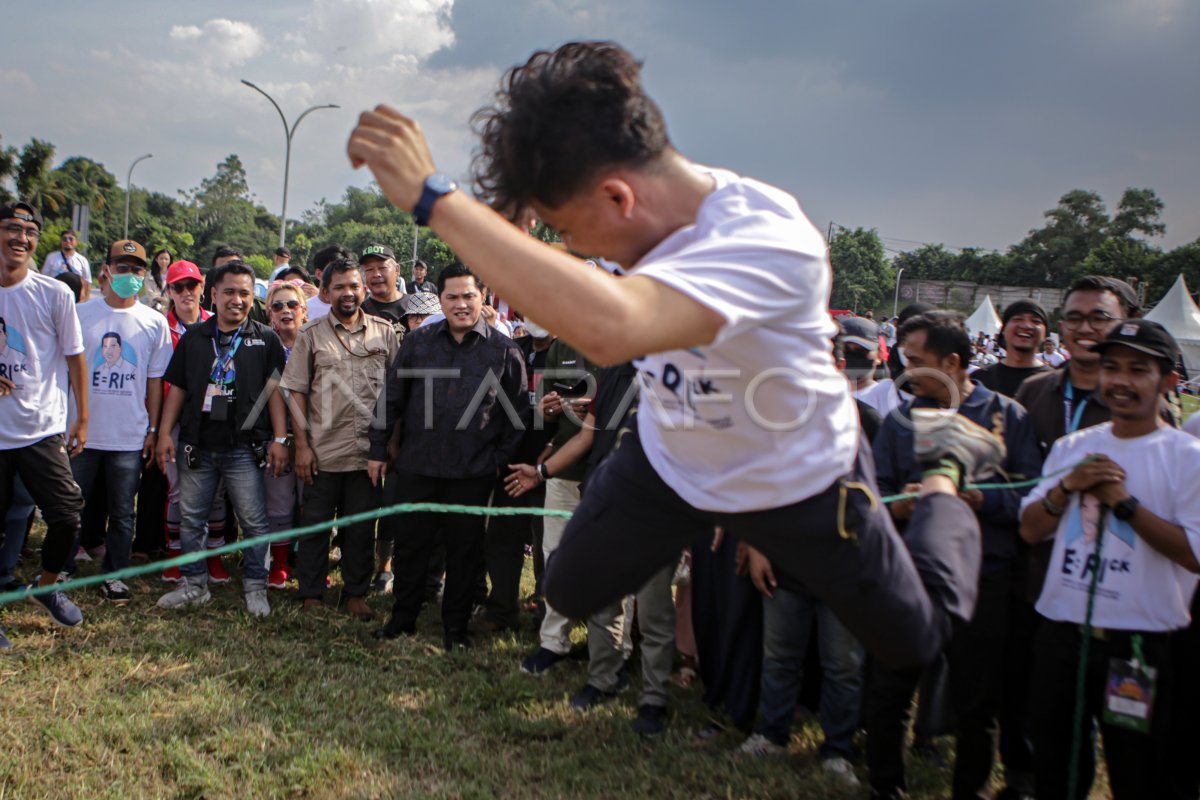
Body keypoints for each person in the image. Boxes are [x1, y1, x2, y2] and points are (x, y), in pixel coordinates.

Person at [348, 40, 998, 670]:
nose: (571, 247)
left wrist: (435, 199)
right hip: (671, 464)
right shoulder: (633, 216)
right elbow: (557, 274)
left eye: (568, 231)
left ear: (618, 196)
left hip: (794, 476)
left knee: (915, 638)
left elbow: (612, 328)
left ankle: (946, 457)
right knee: (569, 590)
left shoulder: (765, 240)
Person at [1019, 319, 1200, 799]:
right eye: (1111, 367)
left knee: (1139, 769)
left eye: (1138, 370)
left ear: (1168, 382)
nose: (1120, 380)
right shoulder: (1072, 448)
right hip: (1062, 633)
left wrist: (1124, 503)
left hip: (1140, 646)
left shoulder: (1187, 457)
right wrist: (1067, 488)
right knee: (1056, 765)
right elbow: (1031, 528)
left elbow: (1195, 555)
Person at [867, 310, 1042, 800]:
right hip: (908, 575)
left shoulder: (1009, 417)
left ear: (954, 362)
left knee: (977, 697)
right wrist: (902, 503)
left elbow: (1034, 493)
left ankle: (971, 789)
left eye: (916, 361)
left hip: (983, 577)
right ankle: (885, 784)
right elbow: (875, 491)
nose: (906, 371)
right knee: (891, 688)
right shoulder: (900, 420)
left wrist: (981, 499)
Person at [370, 263, 527, 650]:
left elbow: (519, 414)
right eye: (452, 297)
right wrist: (378, 449)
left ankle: (455, 628)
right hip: (418, 466)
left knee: (465, 553)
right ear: (440, 299)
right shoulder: (419, 343)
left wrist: (497, 459)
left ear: (483, 298)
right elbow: (391, 399)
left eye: (469, 296)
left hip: (472, 473)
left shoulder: (503, 350)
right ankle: (401, 619)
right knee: (411, 549)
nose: (461, 304)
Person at [155, 261, 291, 617]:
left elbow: (275, 392)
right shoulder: (195, 339)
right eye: (229, 292)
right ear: (213, 295)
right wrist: (163, 435)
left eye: (245, 293)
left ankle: (255, 587)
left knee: (254, 521)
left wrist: (280, 438)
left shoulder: (266, 338)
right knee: (192, 518)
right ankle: (194, 585)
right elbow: (179, 389)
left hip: (244, 448)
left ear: (253, 298)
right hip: (197, 444)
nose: (237, 300)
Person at [281, 257, 399, 618]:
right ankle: (312, 594)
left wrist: (391, 447)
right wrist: (301, 446)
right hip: (322, 451)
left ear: (363, 289)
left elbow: (397, 393)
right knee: (316, 526)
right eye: (339, 287)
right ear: (325, 291)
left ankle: (355, 594)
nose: (347, 293)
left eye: (353, 286)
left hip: (369, 454)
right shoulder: (311, 335)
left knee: (360, 528)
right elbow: (296, 391)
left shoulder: (385, 333)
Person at [0, 201, 89, 647]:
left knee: (67, 513)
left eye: (30, 231)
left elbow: (76, 357)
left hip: (41, 428)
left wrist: (82, 418)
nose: (21, 238)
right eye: (12, 228)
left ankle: (48, 585)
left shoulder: (54, 294)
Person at [70, 239, 172, 604]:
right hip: (81, 432)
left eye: (137, 269)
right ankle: (61, 566)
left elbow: (155, 382)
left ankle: (114, 574)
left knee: (123, 511)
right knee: (70, 506)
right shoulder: (80, 314)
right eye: (123, 267)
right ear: (107, 270)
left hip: (128, 435)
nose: (130, 275)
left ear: (146, 275)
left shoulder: (154, 321)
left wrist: (154, 429)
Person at [159, 260, 231, 584]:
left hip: (213, 419)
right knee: (178, 493)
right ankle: (177, 557)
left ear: (204, 289)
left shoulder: (220, 325)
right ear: (169, 291)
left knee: (214, 492)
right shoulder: (160, 325)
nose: (187, 293)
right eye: (178, 287)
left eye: (192, 286)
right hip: (175, 420)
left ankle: (214, 559)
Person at [263, 281, 308, 588]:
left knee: (311, 503)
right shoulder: (264, 346)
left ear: (303, 310)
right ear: (270, 315)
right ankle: (278, 564)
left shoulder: (318, 341)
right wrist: (279, 438)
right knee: (278, 501)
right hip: (274, 434)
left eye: (292, 304)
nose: (286, 311)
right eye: (278, 306)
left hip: (314, 436)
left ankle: (308, 564)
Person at [973, 300, 1051, 398]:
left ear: (1045, 334)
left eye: (1036, 321)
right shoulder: (979, 381)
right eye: (1018, 319)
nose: (1026, 326)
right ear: (1003, 330)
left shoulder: (1056, 384)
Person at [840, 315, 901, 419]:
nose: (853, 357)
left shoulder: (891, 399)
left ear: (879, 355)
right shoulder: (822, 397)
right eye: (846, 350)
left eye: (862, 350)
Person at [359, 243, 407, 336]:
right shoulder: (359, 313)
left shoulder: (415, 307)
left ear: (397, 270)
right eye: (369, 269)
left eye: (382, 268)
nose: (376, 274)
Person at [40, 228, 92, 301]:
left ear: (76, 242)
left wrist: (86, 301)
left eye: (71, 239)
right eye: (64, 239)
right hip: (55, 298)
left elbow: (88, 282)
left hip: (76, 299)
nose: (68, 241)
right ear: (61, 242)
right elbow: (43, 279)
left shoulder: (82, 260)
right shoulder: (51, 257)